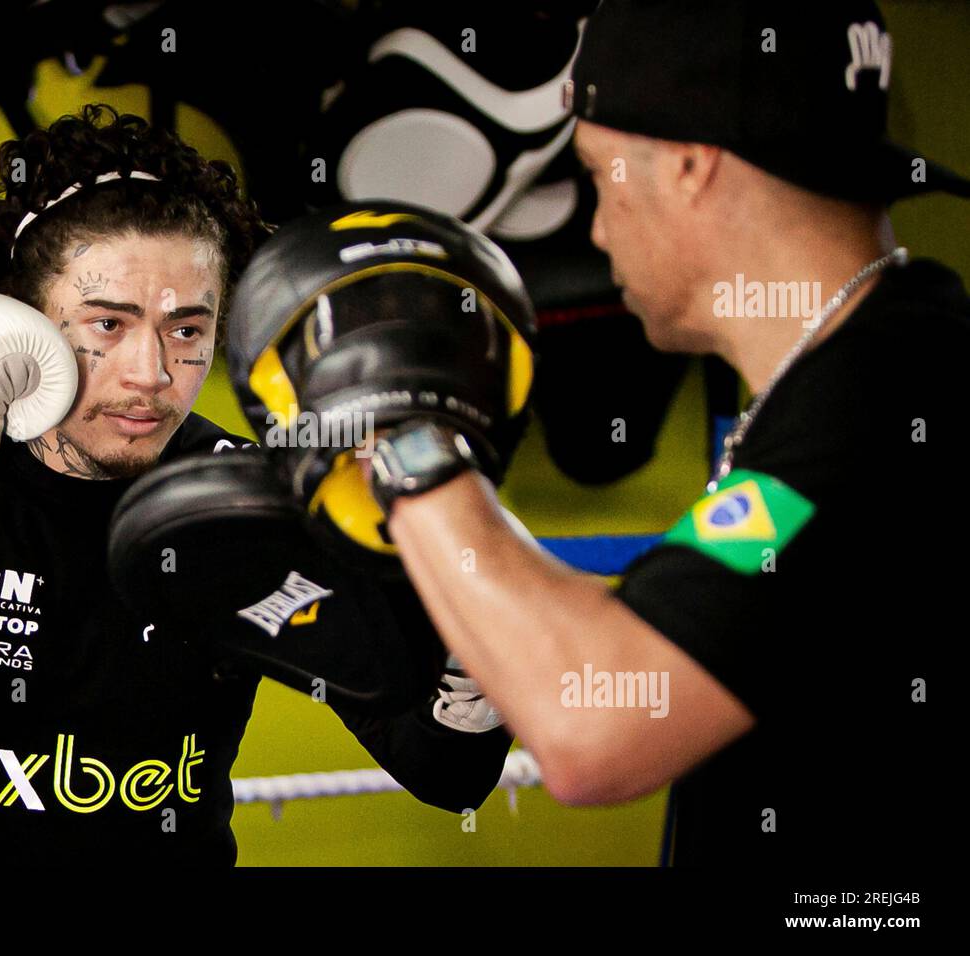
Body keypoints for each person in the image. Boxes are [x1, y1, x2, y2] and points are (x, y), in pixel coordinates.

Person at [0, 105, 511, 865]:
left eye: (187, 329)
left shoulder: (244, 503)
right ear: (27, 321)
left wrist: (460, 603)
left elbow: (447, 771)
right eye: (108, 323)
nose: (153, 373)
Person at [349, 0, 968, 865]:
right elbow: (688, 649)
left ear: (687, 166)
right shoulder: (879, 367)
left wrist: (406, 444)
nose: (599, 228)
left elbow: (596, 726)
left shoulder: (878, 396)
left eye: (601, 175)